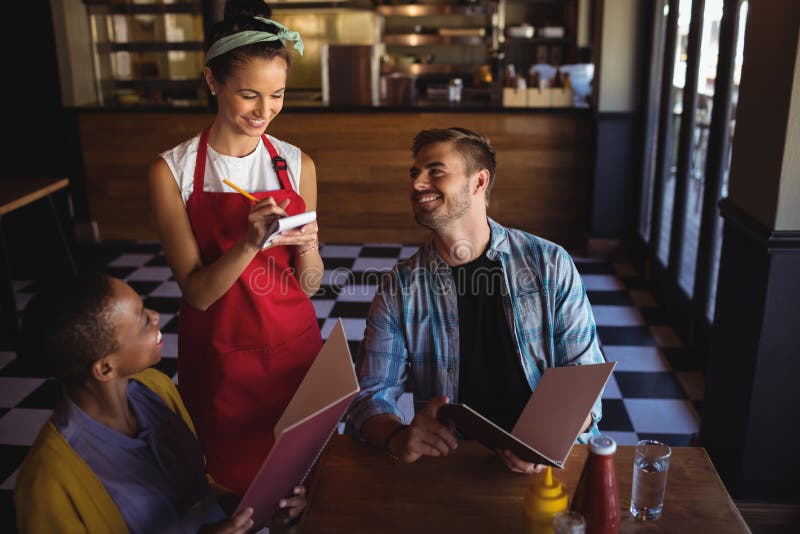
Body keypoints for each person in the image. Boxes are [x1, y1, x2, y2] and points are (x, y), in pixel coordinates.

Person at [348, 127, 605, 474]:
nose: (417, 183)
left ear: (478, 182)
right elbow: (371, 396)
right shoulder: (400, 287)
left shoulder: (548, 263)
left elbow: (583, 377)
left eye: (435, 171)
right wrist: (397, 436)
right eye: (415, 173)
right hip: (450, 465)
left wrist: (548, 441)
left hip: (554, 462)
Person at [148, 0, 323, 494]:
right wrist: (250, 242)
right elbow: (198, 293)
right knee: (232, 489)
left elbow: (309, 286)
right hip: (221, 357)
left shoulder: (296, 165)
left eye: (278, 96)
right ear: (212, 82)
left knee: (301, 489)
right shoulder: (172, 173)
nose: (264, 111)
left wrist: (308, 247)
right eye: (249, 95)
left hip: (293, 349)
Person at [13, 274, 306, 533]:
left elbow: (197, 491)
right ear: (104, 368)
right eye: (142, 319)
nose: (155, 315)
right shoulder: (48, 481)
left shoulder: (157, 387)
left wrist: (257, 508)